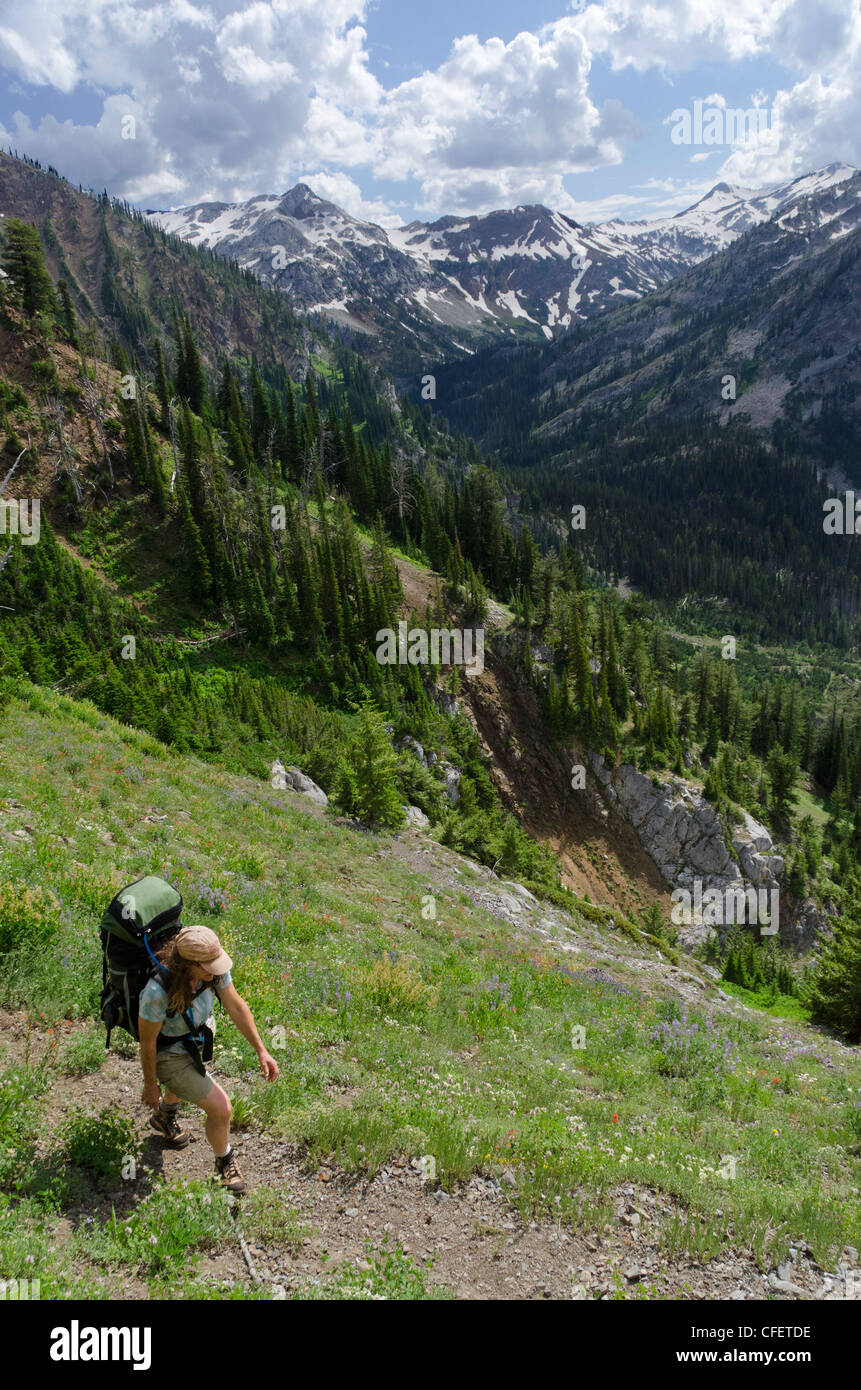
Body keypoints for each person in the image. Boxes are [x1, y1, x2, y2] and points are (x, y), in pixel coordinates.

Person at [138, 923, 279, 1193]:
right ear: (191, 965)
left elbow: (236, 1006)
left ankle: (165, 1117)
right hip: (169, 1054)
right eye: (210, 966)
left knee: (190, 1079)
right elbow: (148, 1044)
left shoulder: (212, 974)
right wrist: (149, 1084)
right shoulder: (156, 993)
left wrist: (262, 1049)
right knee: (221, 1108)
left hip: (194, 1038)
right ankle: (225, 1163)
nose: (217, 970)